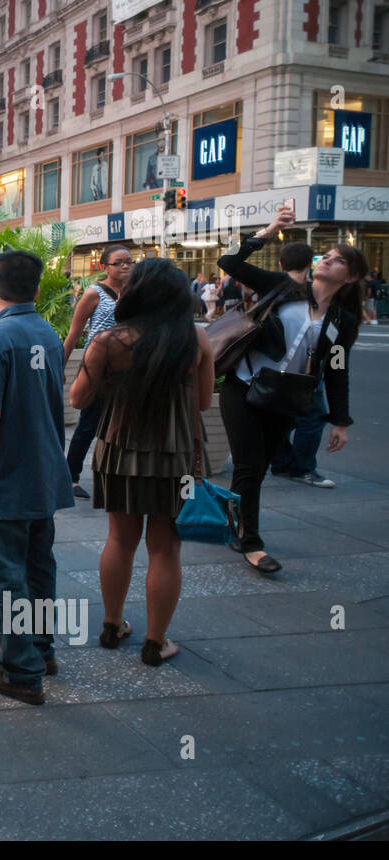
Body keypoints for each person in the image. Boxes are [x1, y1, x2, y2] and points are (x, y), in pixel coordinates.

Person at [70, 258, 214, 667]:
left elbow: (79, 398)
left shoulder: (108, 341)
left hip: (119, 450)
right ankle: (156, 641)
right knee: (165, 549)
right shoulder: (195, 340)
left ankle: (112, 625)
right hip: (175, 455)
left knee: (119, 539)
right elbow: (203, 402)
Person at [218, 205, 366, 573]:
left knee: (260, 467)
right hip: (243, 386)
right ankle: (251, 542)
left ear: (351, 276)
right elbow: (229, 263)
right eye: (326, 256)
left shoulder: (340, 320)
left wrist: (340, 421)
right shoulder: (284, 288)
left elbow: (336, 370)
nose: (326, 261)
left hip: (285, 398)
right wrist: (267, 231)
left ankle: (233, 515)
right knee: (250, 466)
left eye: (336, 260)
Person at [0, 251, 74, 704]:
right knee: (38, 565)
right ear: (38, 291)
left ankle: (22, 671)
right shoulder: (46, 330)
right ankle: (35, 648)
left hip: (8, 473)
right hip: (44, 468)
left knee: (5, 571)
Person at [61, 244, 131, 499]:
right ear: (105, 267)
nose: (125, 266)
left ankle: (113, 474)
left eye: (129, 262)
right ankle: (71, 477)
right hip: (97, 368)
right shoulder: (94, 293)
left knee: (121, 425)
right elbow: (74, 333)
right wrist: (60, 368)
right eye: (119, 262)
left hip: (127, 369)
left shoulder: (136, 292)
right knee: (89, 424)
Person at [269, 243, 334, 488]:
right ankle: (301, 467)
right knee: (312, 417)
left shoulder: (273, 287)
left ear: (280, 264)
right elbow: (338, 360)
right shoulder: (311, 294)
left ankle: (282, 462)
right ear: (310, 264)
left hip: (271, 367)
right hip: (305, 371)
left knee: (279, 416)